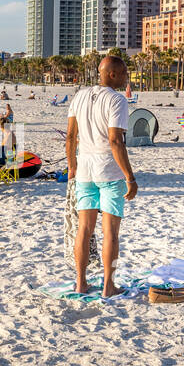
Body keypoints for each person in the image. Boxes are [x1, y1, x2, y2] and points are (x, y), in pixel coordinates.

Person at [66, 55, 136, 298]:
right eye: (125, 73)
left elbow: (70, 137)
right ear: (113, 74)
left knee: (84, 229)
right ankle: (108, 285)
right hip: (109, 169)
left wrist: (72, 166)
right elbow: (115, 140)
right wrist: (130, 176)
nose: (127, 78)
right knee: (111, 233)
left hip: (84, 169)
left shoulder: (79, 95)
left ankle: (81, 283)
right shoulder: (117, 100)